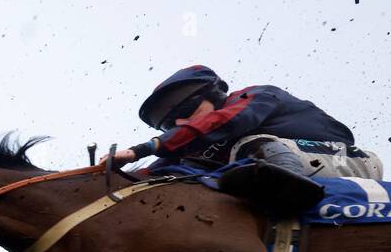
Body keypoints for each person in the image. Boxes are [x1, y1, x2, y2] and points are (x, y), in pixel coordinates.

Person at [109, 65, 380, 180]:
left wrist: (143, 148)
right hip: (261, 166)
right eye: (170, 123)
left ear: (216, 95)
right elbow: (157, 171)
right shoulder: (199, 147)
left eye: (188, 108)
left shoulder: (257, 97)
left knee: (253, 145)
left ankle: (289, 189)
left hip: (349, 161)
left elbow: (223, 121)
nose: (181, 122)